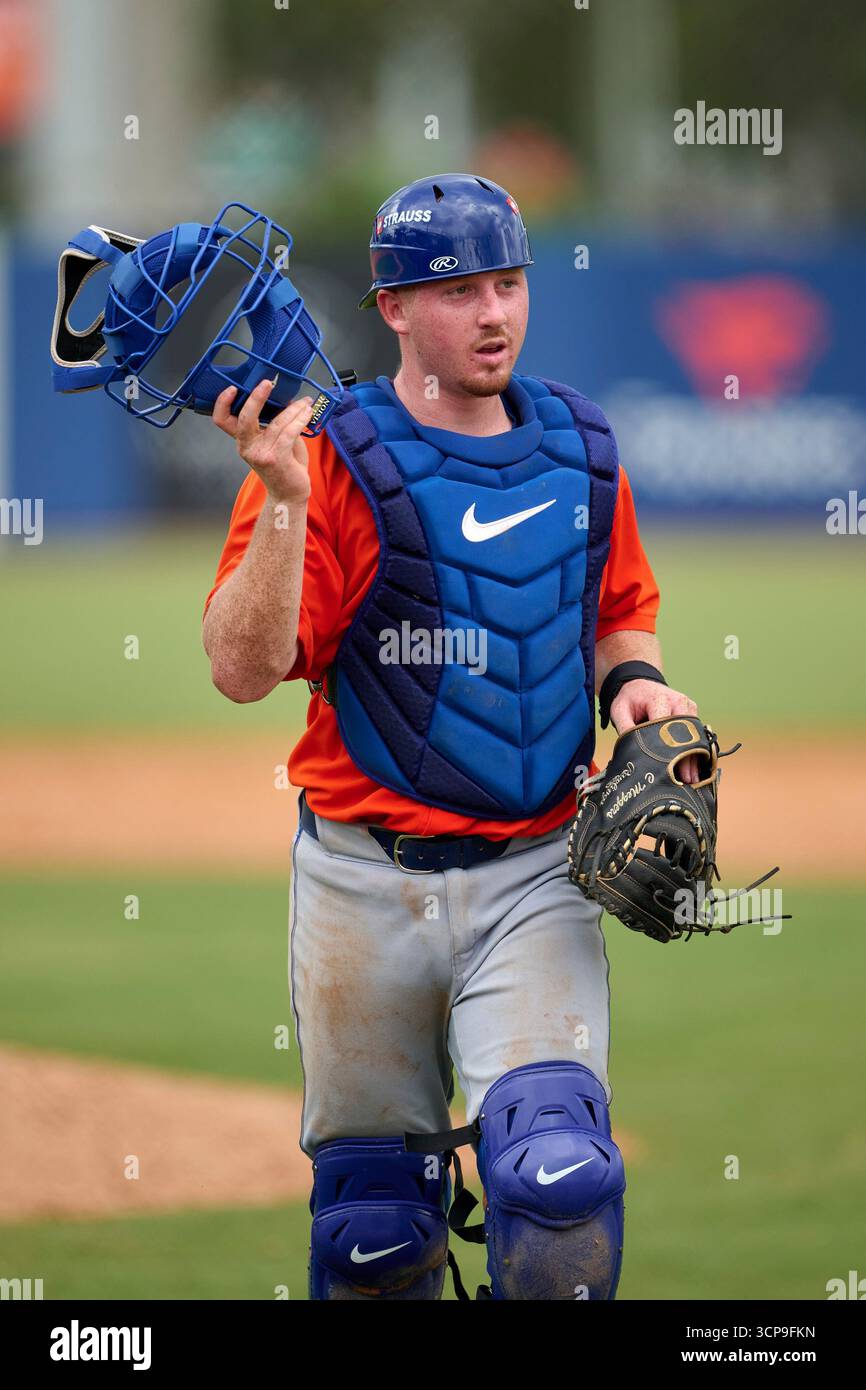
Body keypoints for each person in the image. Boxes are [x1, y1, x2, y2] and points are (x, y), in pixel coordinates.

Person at [202, 173, 699, 1301]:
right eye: (458, 288)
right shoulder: (321, 453)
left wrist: (638, 684)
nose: (493, 313)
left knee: (558, 1175)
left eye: (510, 283)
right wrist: (280, 497)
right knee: (372, 1230)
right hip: (360, 885)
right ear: (391, 305)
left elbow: (617, 609)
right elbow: (240, 670)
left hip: (535, 871)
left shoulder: (579, 445)